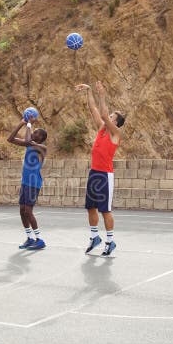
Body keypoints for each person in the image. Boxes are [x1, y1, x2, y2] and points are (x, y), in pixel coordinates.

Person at [75, 81, 126, 256]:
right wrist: (89, 91)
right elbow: (94, 110)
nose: (108, 116)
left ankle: (110, 241)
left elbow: (103, 113)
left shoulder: (116, 134)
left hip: (105, 175)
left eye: (112, 116)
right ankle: (94, 237)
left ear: (116, 123)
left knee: (105, 210)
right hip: (94, 173)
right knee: (90, 207)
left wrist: (102, 94)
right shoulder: (101, 129)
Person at [7, 115, 48, 249]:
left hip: (33, 183)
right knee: (22, 211)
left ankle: (39, 239)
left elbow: (28, 140)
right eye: (34, 131)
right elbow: (10, 139)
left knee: (28, 211)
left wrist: (29, 124)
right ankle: (30, 238)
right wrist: (21, 123)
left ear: (41, 137)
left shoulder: (41, 148)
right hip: (25, 182)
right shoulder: (29, 144)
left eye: (37, 132)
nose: (34, 133)